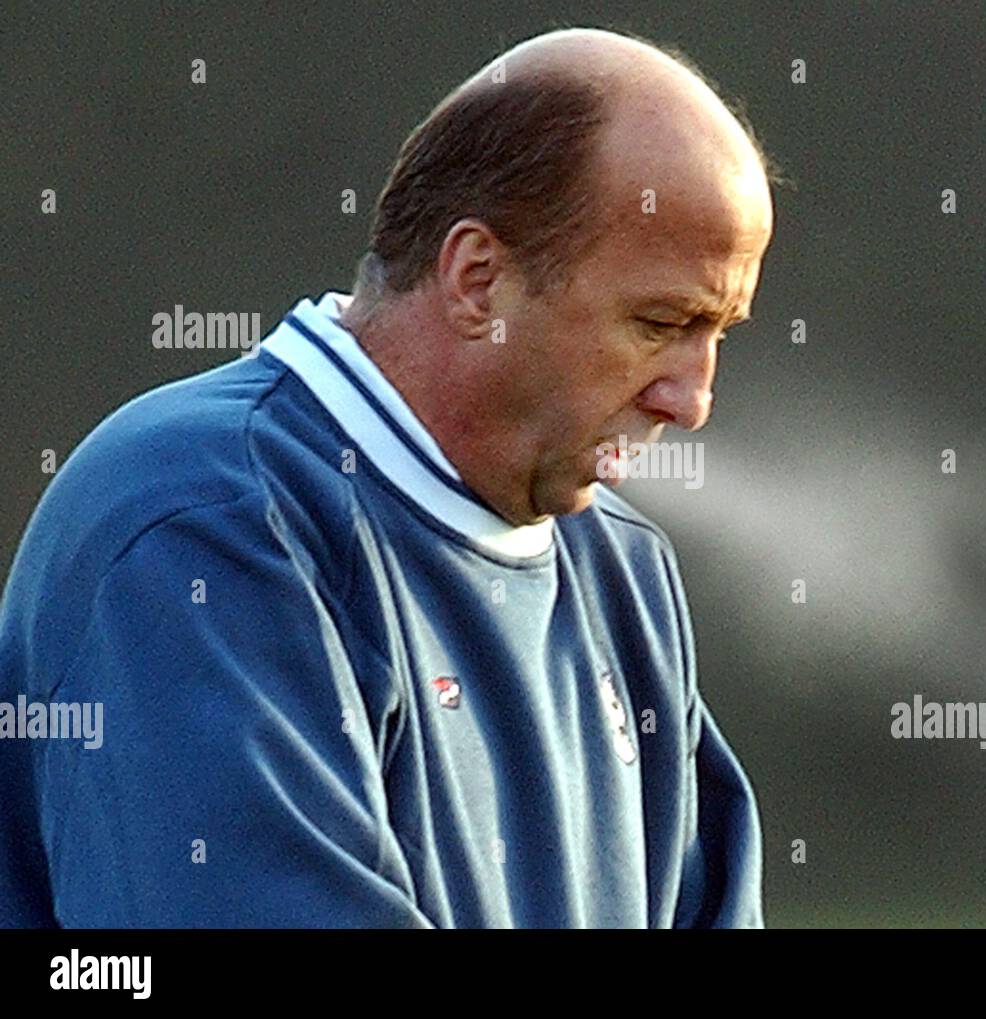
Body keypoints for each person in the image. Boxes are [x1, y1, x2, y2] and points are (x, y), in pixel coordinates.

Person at [0, 27, 775, 928]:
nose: (693, 399)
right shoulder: (200, 519)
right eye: (660, 322)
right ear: (478, 281)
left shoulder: (626, 572)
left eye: (720, 332)